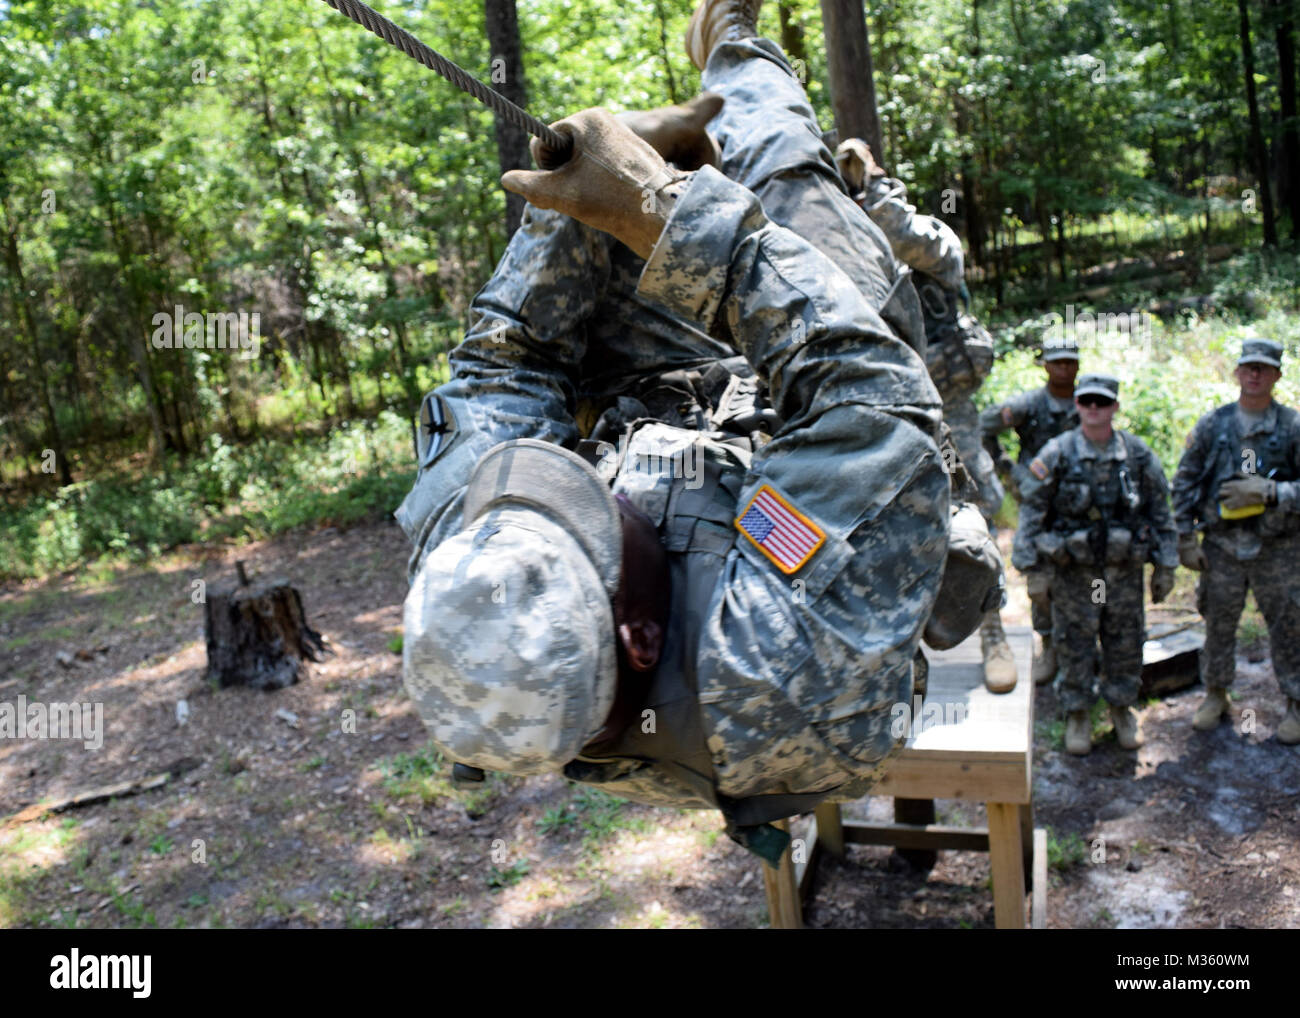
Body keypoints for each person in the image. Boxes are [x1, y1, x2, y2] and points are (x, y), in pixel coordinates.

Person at [396, 0, 950, 860]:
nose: (573, 493)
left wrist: (577, 209)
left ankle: (675, 140)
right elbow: (872, 395)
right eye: (592, 514)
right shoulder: (776, 659)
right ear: (641, 633)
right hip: (834, 431)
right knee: (780, 153)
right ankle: (732, 36)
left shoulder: (470, 574)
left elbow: (504, 364)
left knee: (625, 220)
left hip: (670, 392)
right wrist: (668, 212)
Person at [837, 137, 1016, 694]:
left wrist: (872, 180)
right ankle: (902, 653)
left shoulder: (934, 241)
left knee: (968, 507)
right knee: (881, 514)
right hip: (881, 399)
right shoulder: (845, 250)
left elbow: (901, 233)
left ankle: (992, 631)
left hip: (944, 400)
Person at [1011, 374, 1177, 755]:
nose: (1094, 409)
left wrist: (1166, 565)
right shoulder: (1058, 453)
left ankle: (1121, 707)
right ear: (1077, 405)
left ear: (1115, 407)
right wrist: (1032, 570)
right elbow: (1032, 511)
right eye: (1086, 401)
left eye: (1102, 402)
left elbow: (1160, 511)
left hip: (1122, 573)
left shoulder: (1137, 455)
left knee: (1125, 639)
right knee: (1074, 640)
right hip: (1076, 574)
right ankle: (1078, 712)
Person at [1170, 337, 1300, 744]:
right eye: (1249, 367)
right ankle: (1215, 693)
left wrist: (1273, 492)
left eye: (1264, 368)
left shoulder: (1292, 427)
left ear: (1277, 375)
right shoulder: (1214, 425)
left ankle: (1296, 701)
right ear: (1238, 372)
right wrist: (1185, 538)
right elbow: (1185, 481)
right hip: (1222, 547)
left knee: (1290, 626)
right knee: (1218, 622)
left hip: (1278, 548)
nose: (1255, 374)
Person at [981, 335, 1081, 683]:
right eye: (1057, 362)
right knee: (1040, 579)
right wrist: (1009, 470)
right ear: (1046, 366)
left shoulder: (1089, 402)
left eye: (1070, 362)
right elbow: (984, 426)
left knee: (1088, 575)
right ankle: (1048, 644)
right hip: (1038, 504)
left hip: (1081, 505)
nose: (1064, 368)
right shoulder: (1030, 405)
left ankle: (1082, 647)